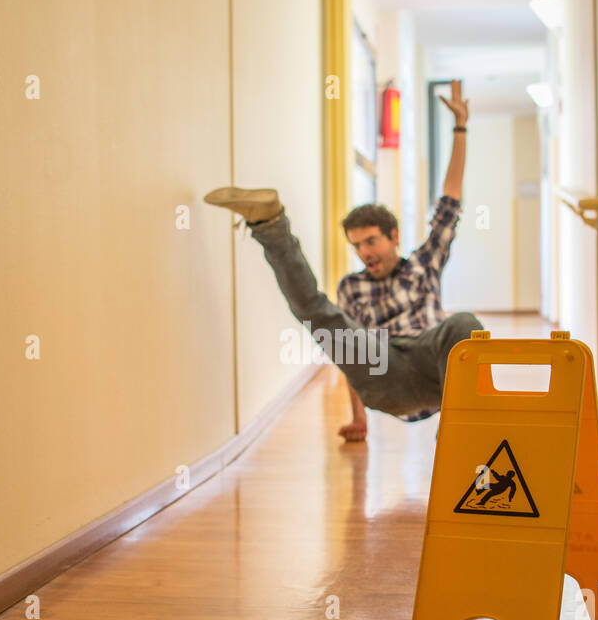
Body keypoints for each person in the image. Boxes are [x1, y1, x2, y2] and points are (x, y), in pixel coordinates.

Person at [204, 79, 481, 442]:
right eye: (357, 246)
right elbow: (350, 353)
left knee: (464, 323)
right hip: (386, 372)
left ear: (394, 236)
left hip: (432, 363)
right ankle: (269, 223)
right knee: (321, 314)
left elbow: (450, 202)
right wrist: (360, 421)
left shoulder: (423, 264)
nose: (365, 253)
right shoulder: (353, 286)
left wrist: (460, 128)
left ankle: (467, 428)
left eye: (371, 242)